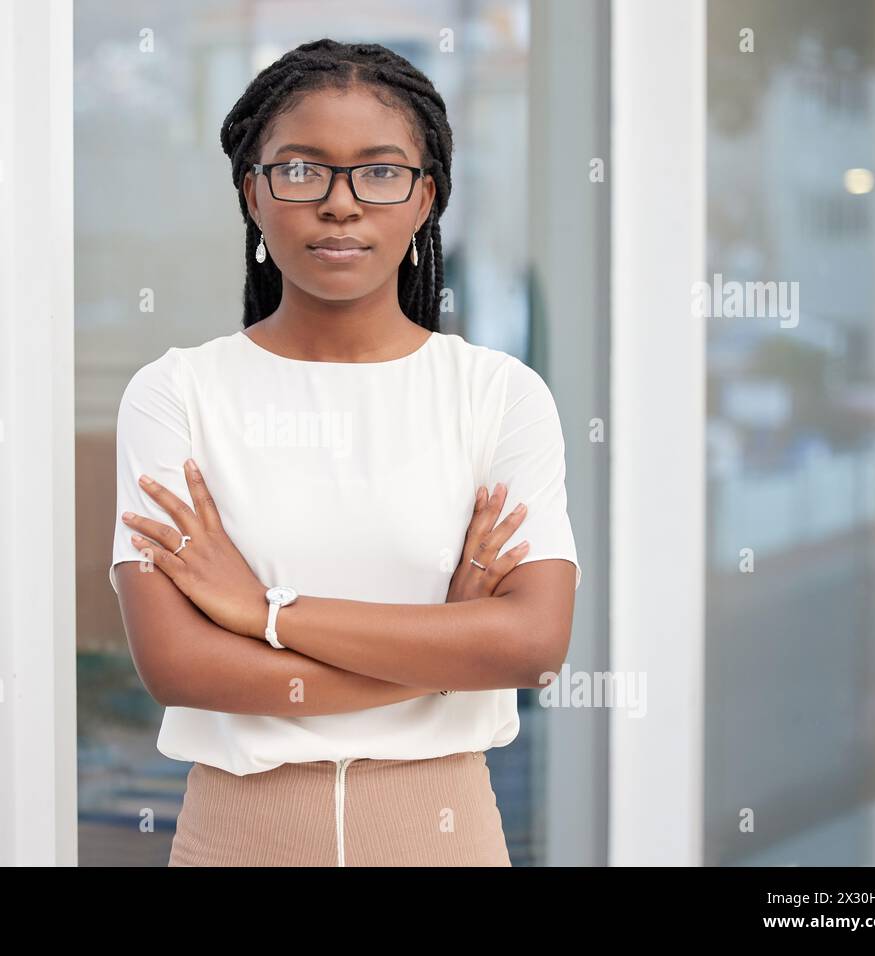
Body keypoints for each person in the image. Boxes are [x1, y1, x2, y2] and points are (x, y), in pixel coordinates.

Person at [108, 38, 581, 867]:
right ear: (253, 193)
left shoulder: (499, 396)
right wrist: (445, 651)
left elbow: (532, 646)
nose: (340, 203)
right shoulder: (175, 395)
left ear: (426, 195)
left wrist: (263, 614)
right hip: (236, 839)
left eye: (379, 170)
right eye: (300, 170)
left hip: (444, 836)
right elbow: (178, 665)